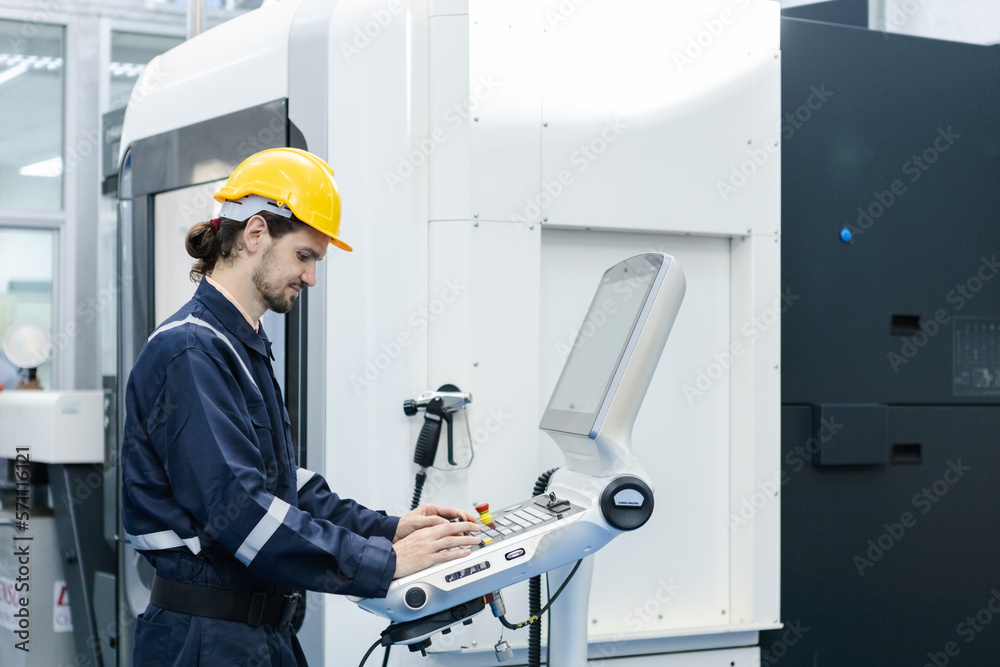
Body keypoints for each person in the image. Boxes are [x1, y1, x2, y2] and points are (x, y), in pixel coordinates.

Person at [121, 148, 481, 666]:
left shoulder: (238, 343)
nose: (311, 277)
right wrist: (384, 563)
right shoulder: (191, 351)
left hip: (252, 633)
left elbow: (283, 486)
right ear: (255, 233)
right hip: (207, 641)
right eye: (305, 256)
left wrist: (388, 529)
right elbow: (240, 512)